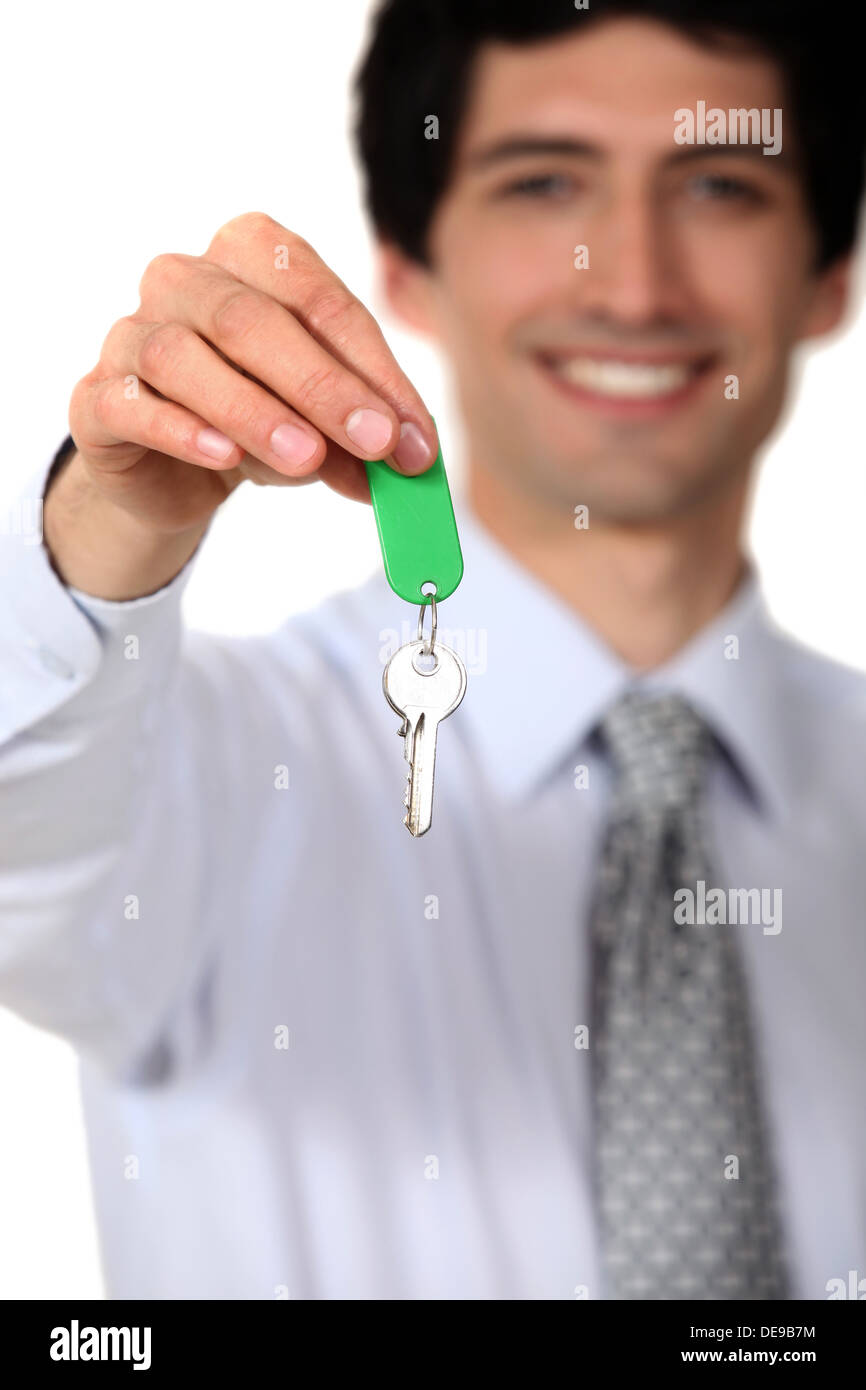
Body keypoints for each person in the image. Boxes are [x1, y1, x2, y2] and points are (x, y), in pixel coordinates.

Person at [1, 0, 864, 1300]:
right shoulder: (210, 775)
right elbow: (29, 819)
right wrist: (109, 523)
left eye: (718, 186)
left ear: (827, 278)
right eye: (543, 182)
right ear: (406, 266)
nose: (630, 280)